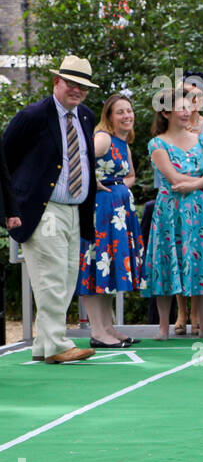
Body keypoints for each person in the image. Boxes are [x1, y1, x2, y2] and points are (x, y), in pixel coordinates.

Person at [1, 55, 100, 363]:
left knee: (67, 276)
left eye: (83, 86)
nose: (78, 91)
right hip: (42, 209)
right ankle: (56, 344)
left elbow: (83, 161)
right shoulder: (33, 116)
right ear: (56, 81)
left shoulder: (85, 115)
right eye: (72, 83)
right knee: (52, 275)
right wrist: (10, 206)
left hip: (74, 208)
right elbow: (5, 160)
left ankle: (45, 345)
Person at [142, 88, 203, 340]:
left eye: (189, 106)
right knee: (167, 262)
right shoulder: (157, 143)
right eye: (181, 107)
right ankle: (164, 327)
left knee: (201, 263)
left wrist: (193, 185)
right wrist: (195, 182)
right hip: (171, 212)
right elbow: (173, 178)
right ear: (166, 113)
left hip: (201, 210)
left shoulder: (201, 140)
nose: (188, 112)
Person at [76, 93, 145, 348]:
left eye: (129, 110)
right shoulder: (103, 139)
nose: (127, 115)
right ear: (109, 117)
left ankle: (107, 328)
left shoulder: (123, 143)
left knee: (106, 271)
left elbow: (131, 176)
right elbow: (79, 160)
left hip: (118, 211)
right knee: (95, 266)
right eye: (120, 112)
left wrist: (119, 188)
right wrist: (94, 183)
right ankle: (97, 331)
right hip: (100, 212)